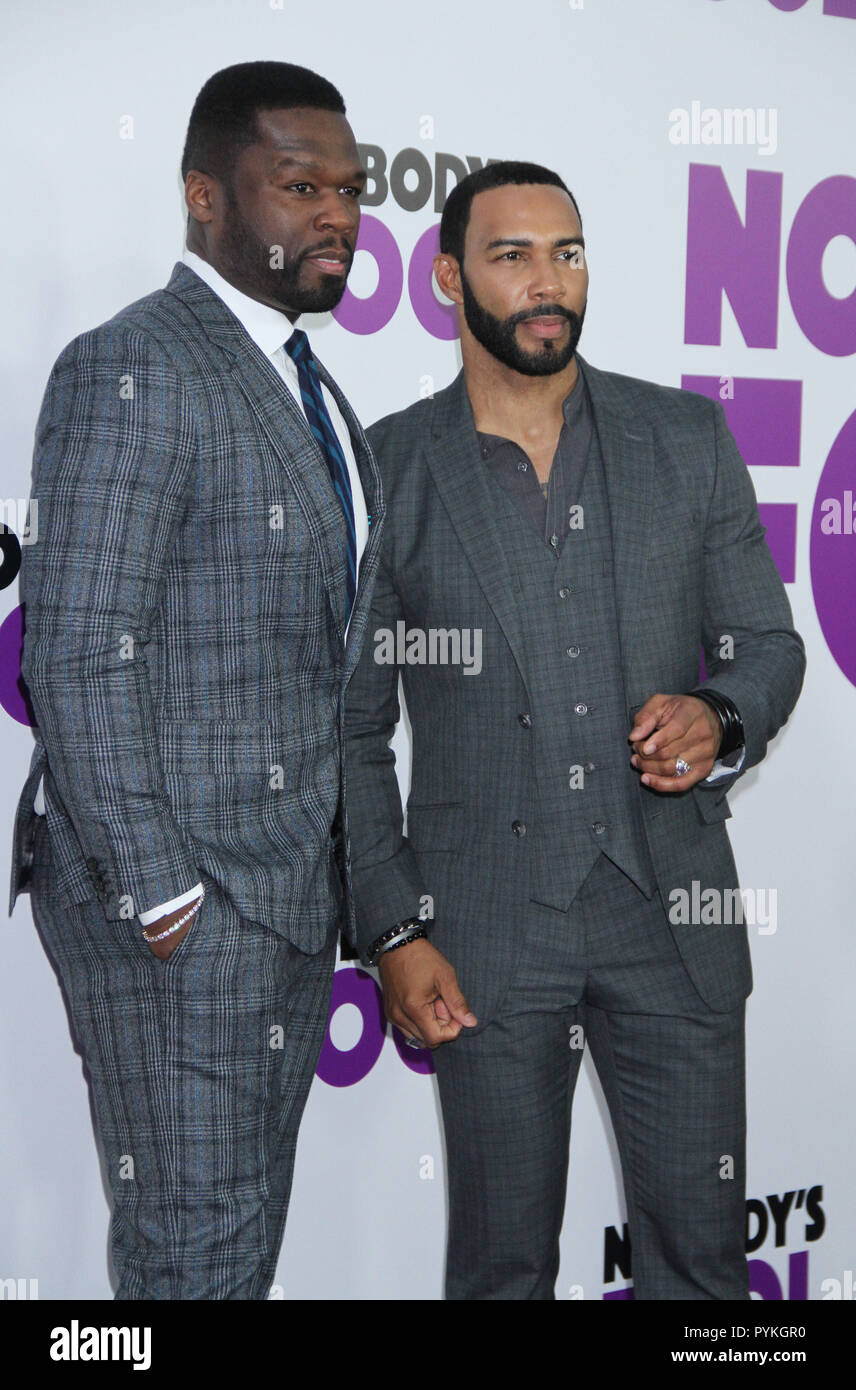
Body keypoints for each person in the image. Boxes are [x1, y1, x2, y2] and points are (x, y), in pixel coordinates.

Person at [343, 161, 805, 1300]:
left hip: (672, 915)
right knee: (501, 1271)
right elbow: (350, 729)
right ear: (449, 276)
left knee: (702, 1268)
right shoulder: (390, 468)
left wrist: (720, 713)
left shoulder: (684, 438)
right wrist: (394, 929)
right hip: (484, 935)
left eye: (567, 251)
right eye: (512, 255)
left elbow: (768, 644)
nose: (547, 282)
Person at [8, 60, 384, 1299]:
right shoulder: (137, 365)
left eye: (349, 188)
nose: (336, 214)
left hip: (278, 892)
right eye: (298, 185)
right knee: (194, 1255)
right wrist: (167, 898)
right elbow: (76, 649)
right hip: (179, 908)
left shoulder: (305, 378)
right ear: (205, 196)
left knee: (225, 1245)